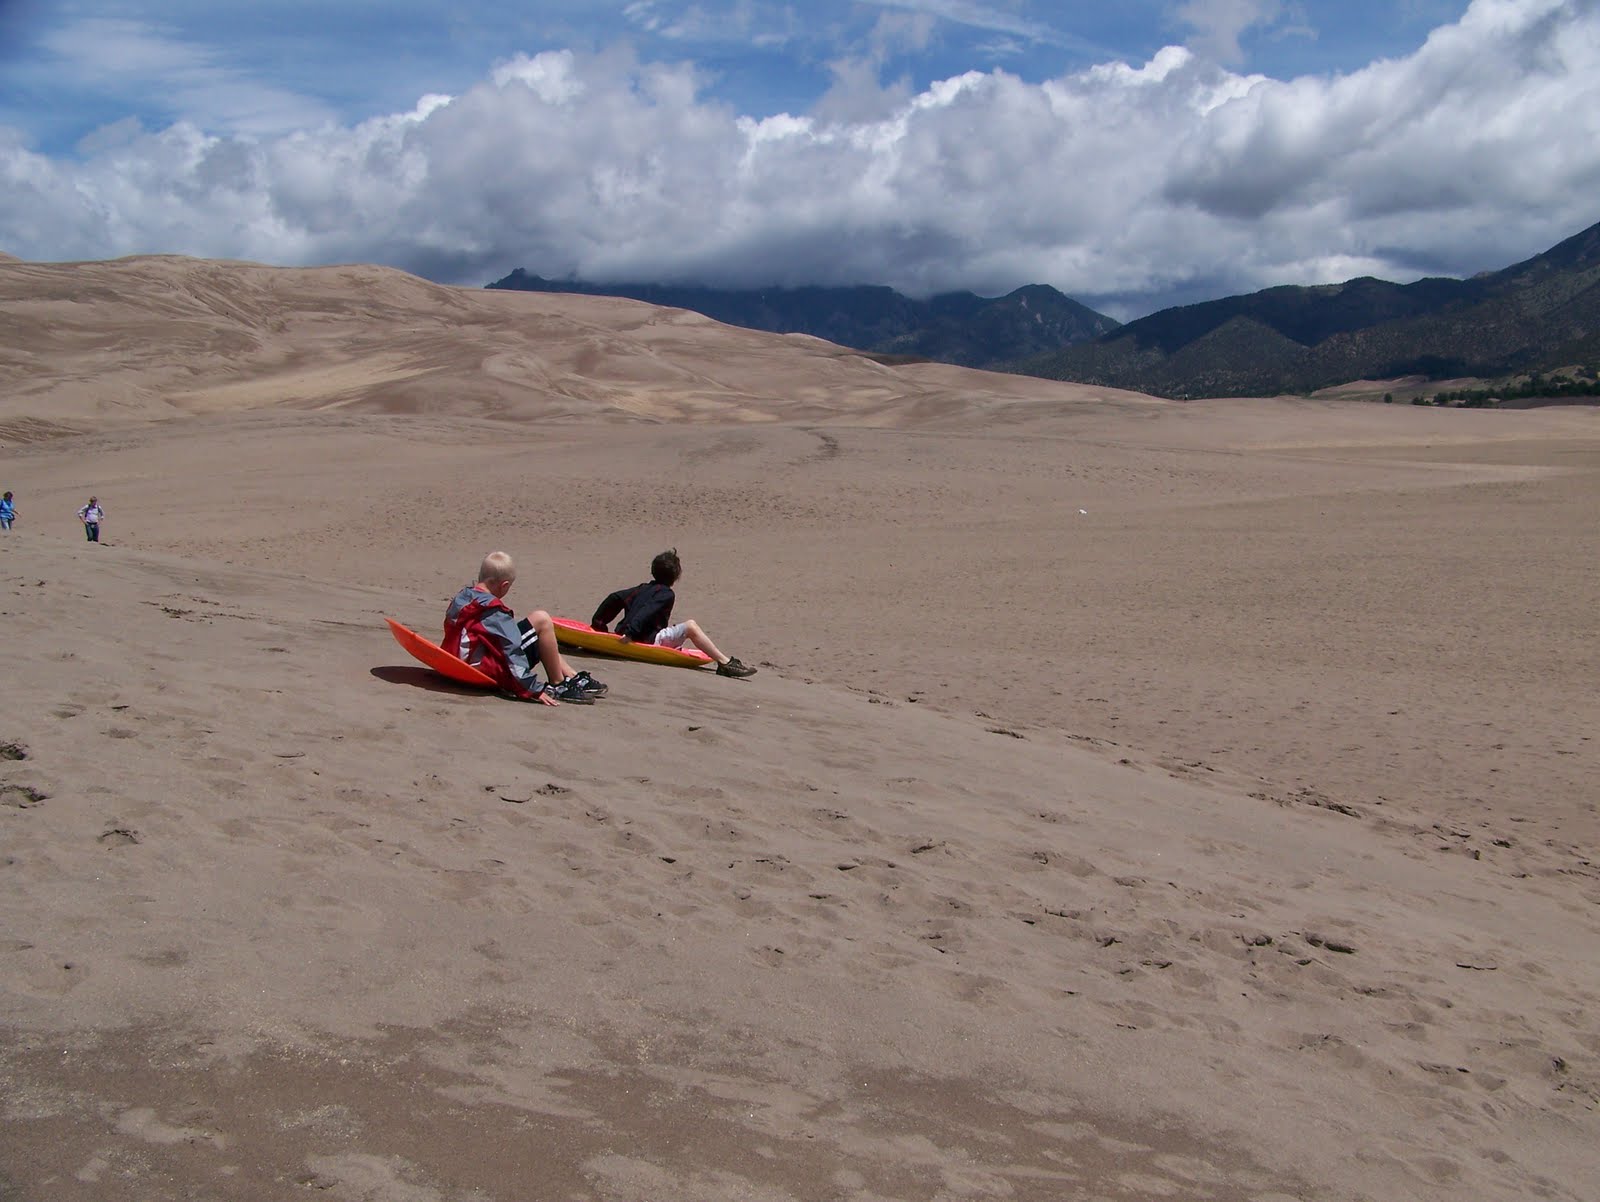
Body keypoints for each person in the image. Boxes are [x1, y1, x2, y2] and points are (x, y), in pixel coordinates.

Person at [442, 551, 605, 704]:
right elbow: (511, 651)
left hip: (462, 659)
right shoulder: (493, 611)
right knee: (542, 620)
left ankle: (571, 675)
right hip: (486, 669)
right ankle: (558, 683)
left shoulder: (463, 597)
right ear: (504, 585)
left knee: (537, 631)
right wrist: (533, 690)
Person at [590, 548, 757, 678]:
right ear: (676, 576)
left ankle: (725, 663)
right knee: (691, 626)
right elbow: (647, 611)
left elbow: (614, 598)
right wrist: (631, 633)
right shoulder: (666, 594)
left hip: (626, 633)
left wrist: (599, 624)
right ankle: (725, 663)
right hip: (648, 639)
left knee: (679, 628)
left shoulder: (641, 588)